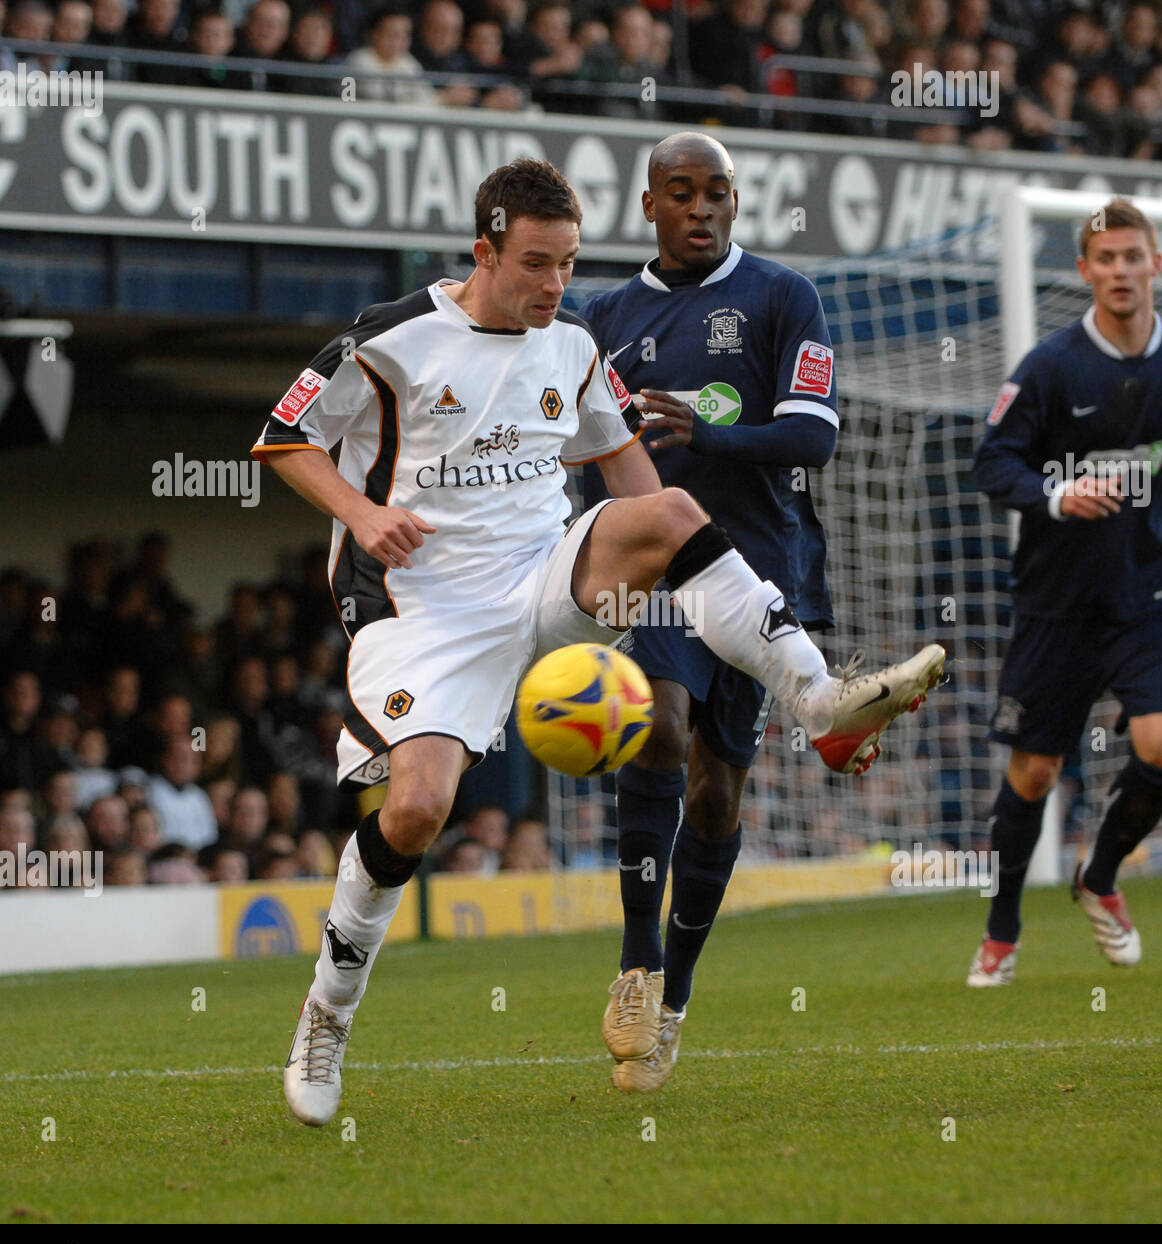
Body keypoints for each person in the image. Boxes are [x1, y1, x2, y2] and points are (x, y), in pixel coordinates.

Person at [257, 158, 944, 1127]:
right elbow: (283, 438)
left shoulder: (572, 343)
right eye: (534, 265)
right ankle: (326, 1013)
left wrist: (673, 552)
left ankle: (817, 696)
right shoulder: (391, 337)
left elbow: (627, 474)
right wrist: (361, 520)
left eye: (569, 265)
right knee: (414, 811)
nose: (553, 286)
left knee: (665, 506)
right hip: (426, 609)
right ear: (484, 250)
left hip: (545, 573)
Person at [579, 131, 934, 1093]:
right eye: (681, 193)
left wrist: (712, 429)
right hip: (652, 572)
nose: (701, 208)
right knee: (657, 717)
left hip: (758, 569)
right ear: (648, 205)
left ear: (737, 202)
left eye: (719, 193)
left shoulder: (784, 296)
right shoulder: (600, 317)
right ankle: (635, 965)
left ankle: (675, 1005)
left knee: (716, 793)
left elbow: (815, 435)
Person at [967, 196, 1162, 986]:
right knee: (1034, 774)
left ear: (1156, 263)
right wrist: (1054, 496)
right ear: (1084, 272)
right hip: (1058, 600)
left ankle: (1100, 876)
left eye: (1131, 256)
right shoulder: (1049, 368)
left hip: (1149, 591)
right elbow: (992, 463)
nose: (1119, 271)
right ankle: (1002, 932)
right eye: (1104, 259)